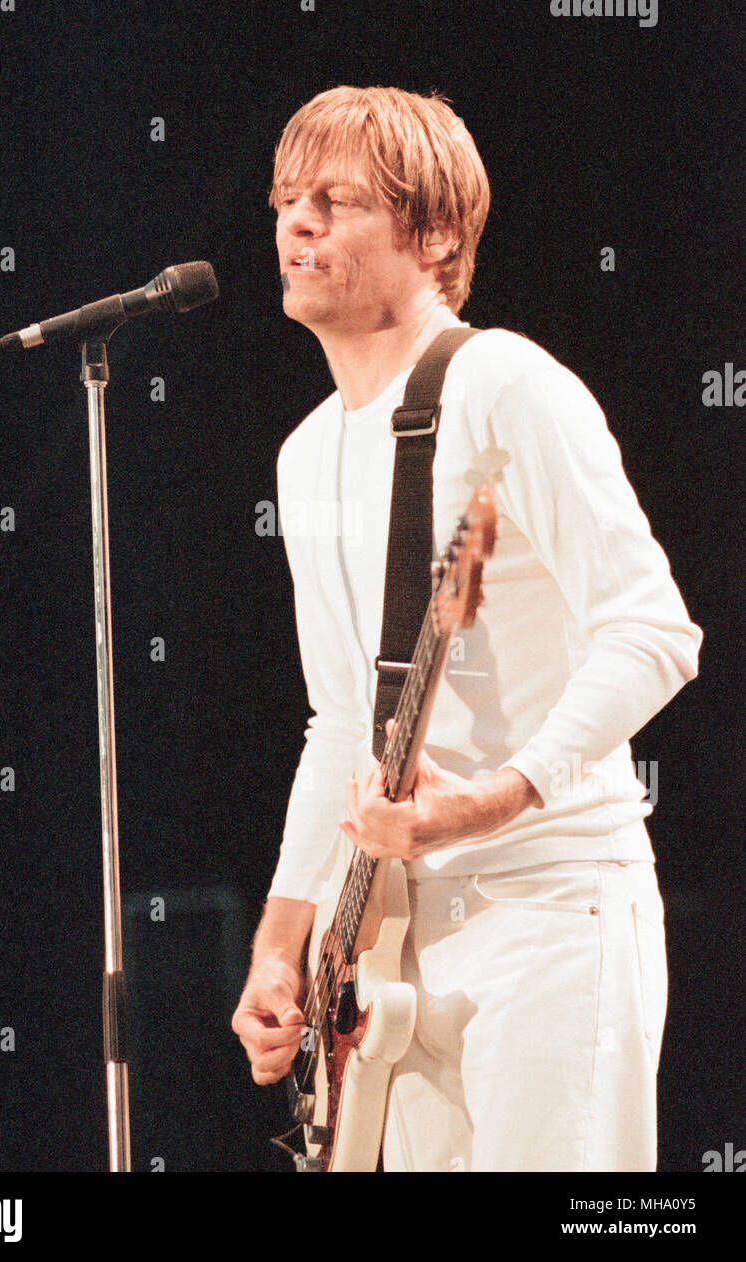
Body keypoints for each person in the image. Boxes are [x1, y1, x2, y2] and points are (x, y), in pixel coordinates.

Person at [231, 85, 702, 1171]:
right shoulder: (304, 454)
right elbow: (341, 719)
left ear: (433, 234)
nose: (295, 223)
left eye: (335, 200)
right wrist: (280, 942)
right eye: (284, 200)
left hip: (548, 910)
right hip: (395, 944)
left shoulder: (504, 384)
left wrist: (489, 799)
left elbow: (650, 629)